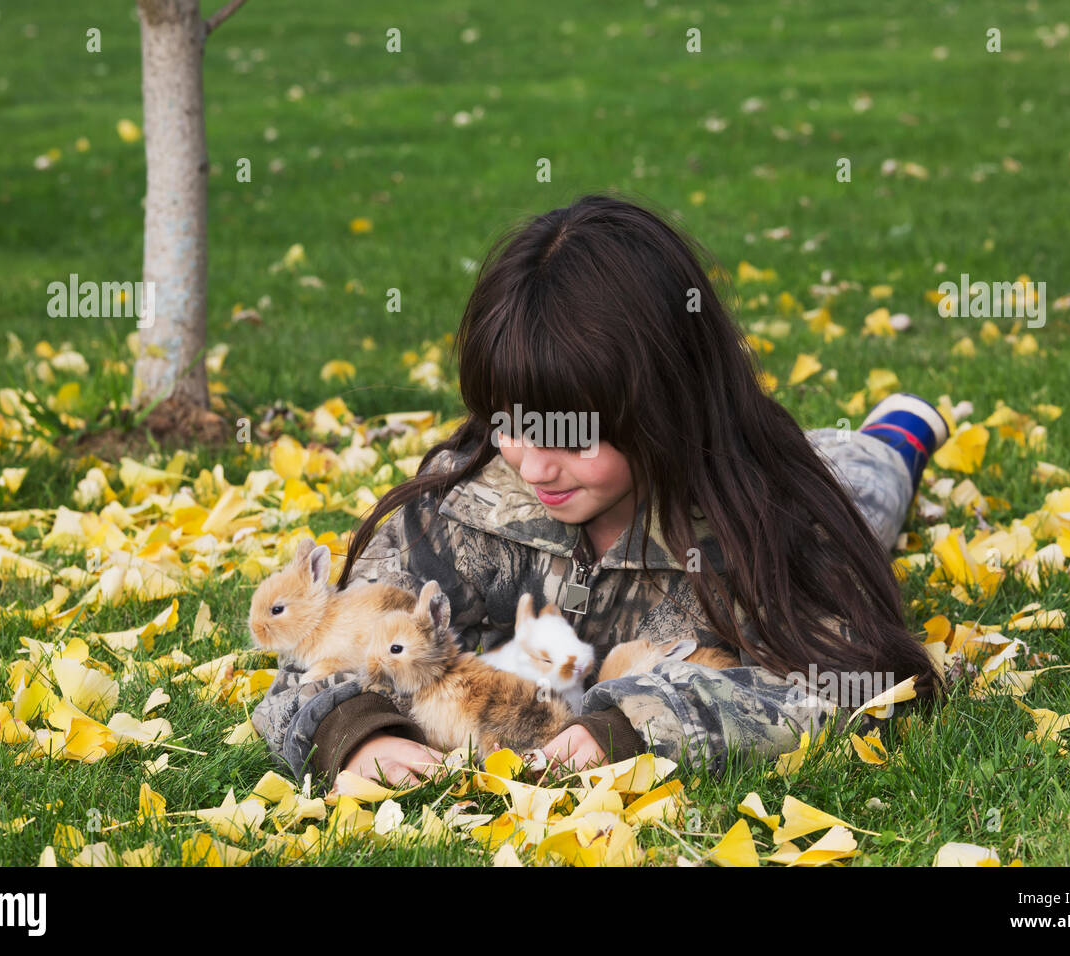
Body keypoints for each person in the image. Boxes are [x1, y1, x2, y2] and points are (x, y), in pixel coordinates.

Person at [251, 191, 949, 788]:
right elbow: (323, 648)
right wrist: (358, 733)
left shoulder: (766, 520)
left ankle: (895, 435)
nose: (532, 465)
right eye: (508, 422)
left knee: (860, 484)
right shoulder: (462, 511)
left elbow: (834, 682)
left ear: (664, 406)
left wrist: (628, 728)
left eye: (572, 437)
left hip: (794, 477)